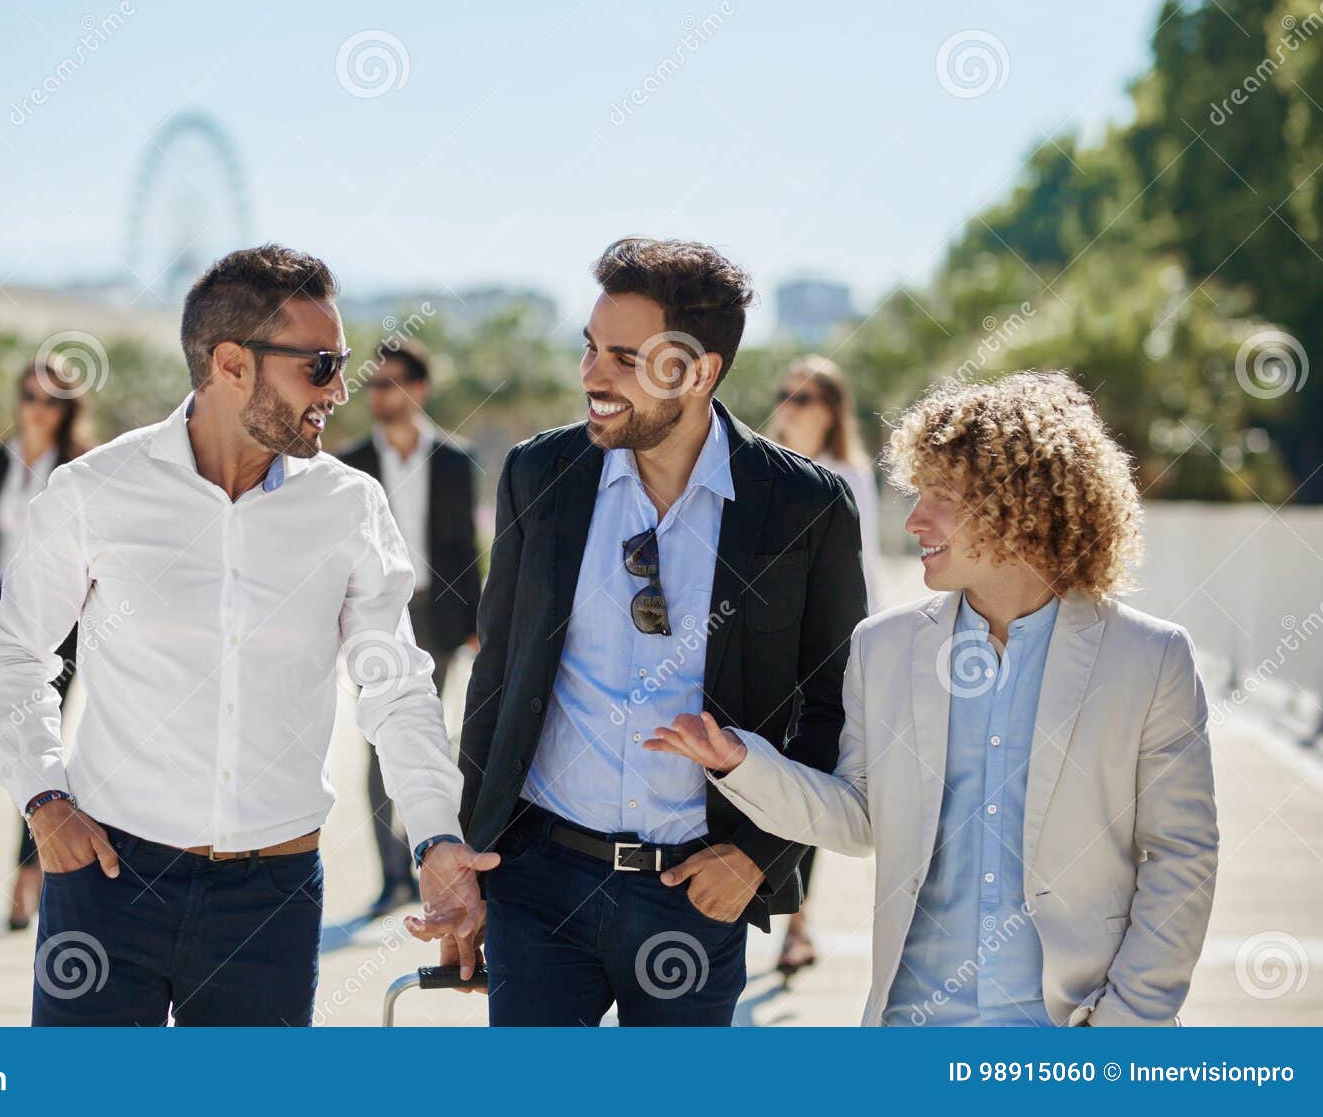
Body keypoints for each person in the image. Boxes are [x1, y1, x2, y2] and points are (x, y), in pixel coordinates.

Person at [0, 244, 496, 1026]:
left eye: (343, 362)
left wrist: (434, 837)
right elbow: (18, 652)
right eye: (320, 364)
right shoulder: (96, 490)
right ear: (230, 363)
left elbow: (394, 686)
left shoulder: (348, 505)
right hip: (106, 884)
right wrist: (44, 799)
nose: (340, 389)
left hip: (271, 901)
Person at [647, 372, 1220, 1026]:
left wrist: (1128, 1024)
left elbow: (1182, 857)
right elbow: (860, 816)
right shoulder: (883, 648)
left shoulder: (1151, 657)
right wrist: (741, 762)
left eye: (941, 496)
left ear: (1021, 504)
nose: (914, 519)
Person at [456, 237, 868, 1026]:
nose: (592, 375)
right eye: (589, 349)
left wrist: (759, 859)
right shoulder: (539, 476)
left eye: (624, 356)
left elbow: (833, 709)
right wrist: (473, 868)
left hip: (695, 891)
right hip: (537, 884)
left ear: (700, 370)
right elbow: (498, 678)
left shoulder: (803, 507)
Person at [337, 336, 481, 915]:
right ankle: (392, 876)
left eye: (389, 383)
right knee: (377, 740)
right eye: (371, 383)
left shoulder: (453, 459)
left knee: (432, 735)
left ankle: (431, 849)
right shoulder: (348, 465)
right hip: (372, 621)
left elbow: (465, 547)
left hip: (436, 614)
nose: (377, 394)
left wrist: (475, 622)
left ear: (417, 389)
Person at [0, 360, 88, 931]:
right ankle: (31, 866)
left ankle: (27, 873)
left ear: (67, 410)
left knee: (39, 738)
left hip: (62, 625)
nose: (38, 408)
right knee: (15, 735)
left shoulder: (79, 468)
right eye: (30, 396)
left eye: (51, 400)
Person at [769, 353, 883, 979]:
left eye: (806, 397)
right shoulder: (758, 472)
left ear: (833, 410)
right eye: (785, 394)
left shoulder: (851, 479)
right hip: (764, 654)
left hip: (826, 659)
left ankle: (797, 923)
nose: (791, 406)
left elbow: (863, 582)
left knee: (808, 783)